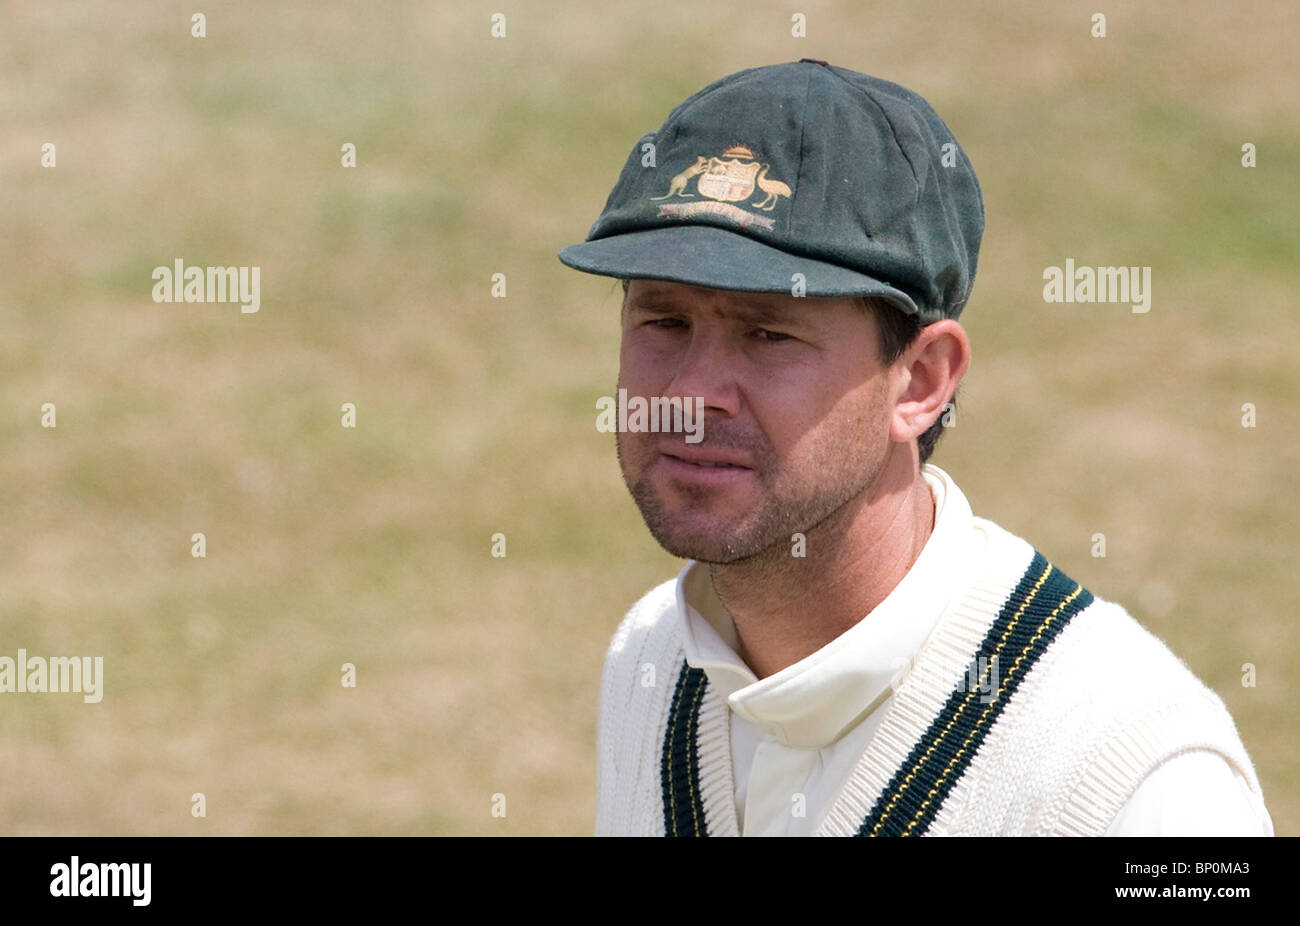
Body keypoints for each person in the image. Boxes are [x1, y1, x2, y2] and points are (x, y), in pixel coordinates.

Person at [557, 59, 1273, 836]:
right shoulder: (654, 663)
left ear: (920, 381)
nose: (691, 396)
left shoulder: (1138, 780)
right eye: (663, 322)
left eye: (768, 333)